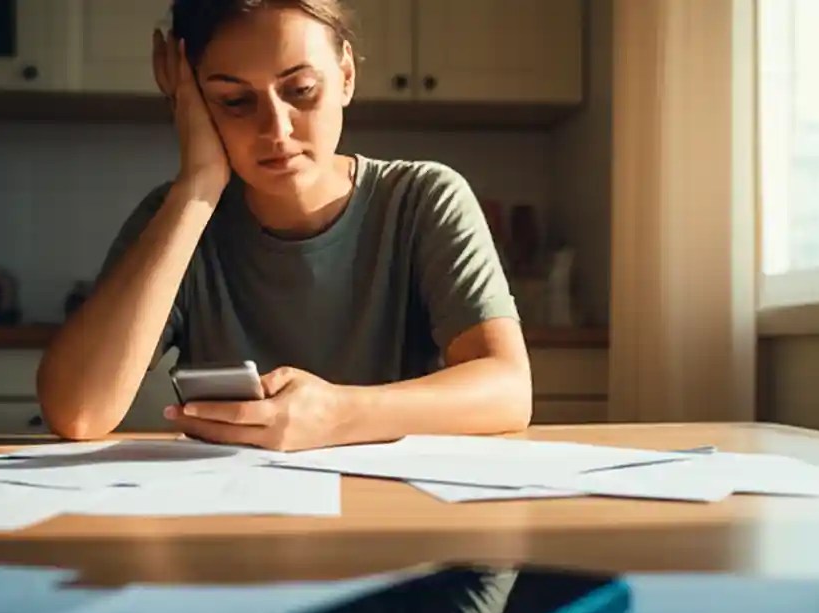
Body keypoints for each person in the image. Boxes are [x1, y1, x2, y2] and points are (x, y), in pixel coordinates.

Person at [37, 0, 531, 451]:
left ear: (345, 78)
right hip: (230, 518)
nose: (276, 130)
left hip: (391, 508)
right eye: (234, 101)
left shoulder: (423, 199)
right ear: (191, 101)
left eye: (301, 90)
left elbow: (508, 389)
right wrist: (197, 187)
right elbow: (79, 413)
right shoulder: (175, 217)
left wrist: (334, 414)